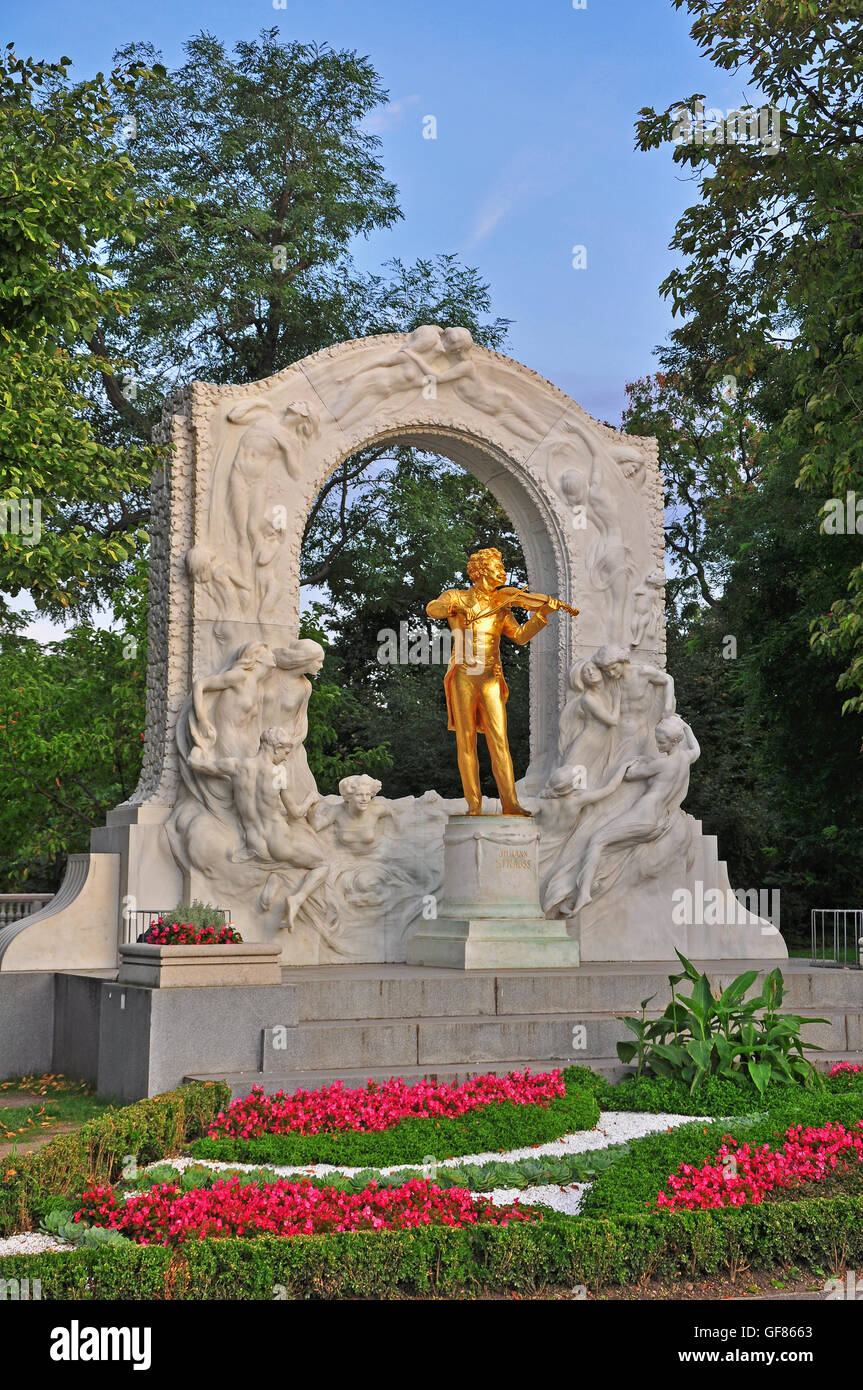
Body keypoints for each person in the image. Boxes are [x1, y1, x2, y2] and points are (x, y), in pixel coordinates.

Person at [427, 547, 559, 816]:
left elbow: (520, 636)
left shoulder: (500, 606)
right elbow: (432, 608)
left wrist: (541, 615)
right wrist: (452, 607)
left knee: (499, 740)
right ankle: (473, 804)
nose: (503, 571)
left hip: (490, 677)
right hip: (464, 674)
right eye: (498, 566)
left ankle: (510, 803)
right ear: (482, 570)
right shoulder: (458, 597)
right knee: (466, 741)